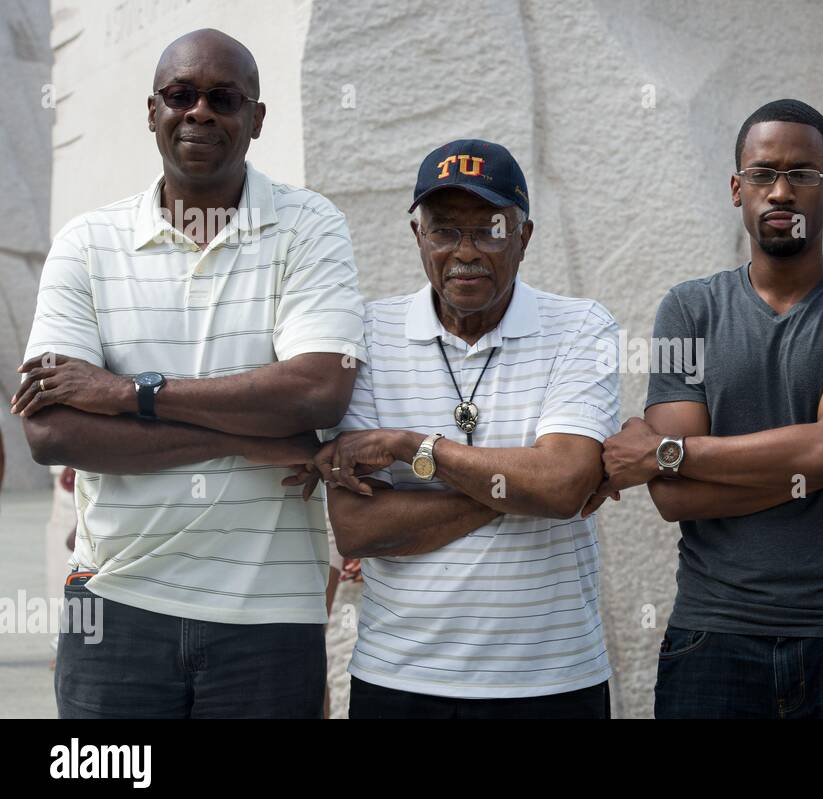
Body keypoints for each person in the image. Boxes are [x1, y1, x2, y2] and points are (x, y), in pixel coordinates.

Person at [14, 29, 366, 718]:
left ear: (256, 119)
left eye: (223, 98)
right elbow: (52, 433)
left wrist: (128, 395)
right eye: (181, 95)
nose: (200, 111)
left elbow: (319, 388)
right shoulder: (87, 244)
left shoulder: (309, 227)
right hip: (116, 606)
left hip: (269, 616)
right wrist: (246, 439)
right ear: (152, 111)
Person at [600, 99, 823, 719]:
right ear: (736, 188)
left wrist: (670, 453)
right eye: (762, 174)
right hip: (712, 636)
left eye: (802, 174)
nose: (781, 191)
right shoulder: (690, 310)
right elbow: (674, 497)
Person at [301, 139, 619, 719]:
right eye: (445, 231)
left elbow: (563, 485)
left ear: (523, 238)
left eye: (490, 229)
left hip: (553, 681)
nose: (466, 251)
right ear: (419, 236)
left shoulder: (580, 327)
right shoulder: (366, 336)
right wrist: (535, 486)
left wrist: (409, 448)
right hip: (400, 680)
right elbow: (358, 528)